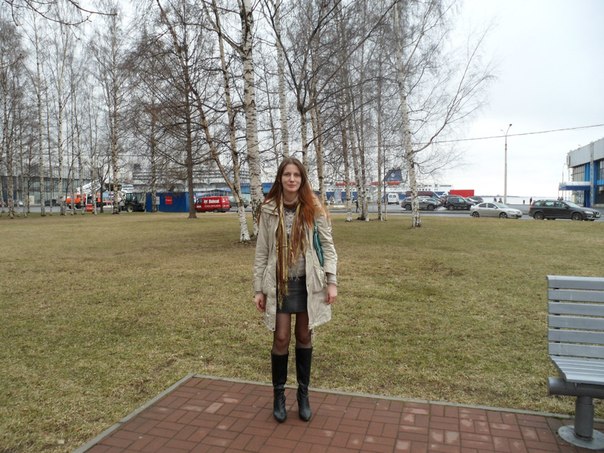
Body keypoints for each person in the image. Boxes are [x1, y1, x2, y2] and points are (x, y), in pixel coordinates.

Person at [253, 157, 338, 423]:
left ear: (302, 179)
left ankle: (303, 395)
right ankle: (279, 395)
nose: (292, 179)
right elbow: (262, 252)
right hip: (279, 283)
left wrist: (332, 281)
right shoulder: (268, 210)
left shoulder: (314, 208)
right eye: (287, 174)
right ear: (280, 178)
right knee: (280, 338)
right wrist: (258, 289)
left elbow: (328, 247)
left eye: (296, 175)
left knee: (304, 335)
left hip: (307, 282)